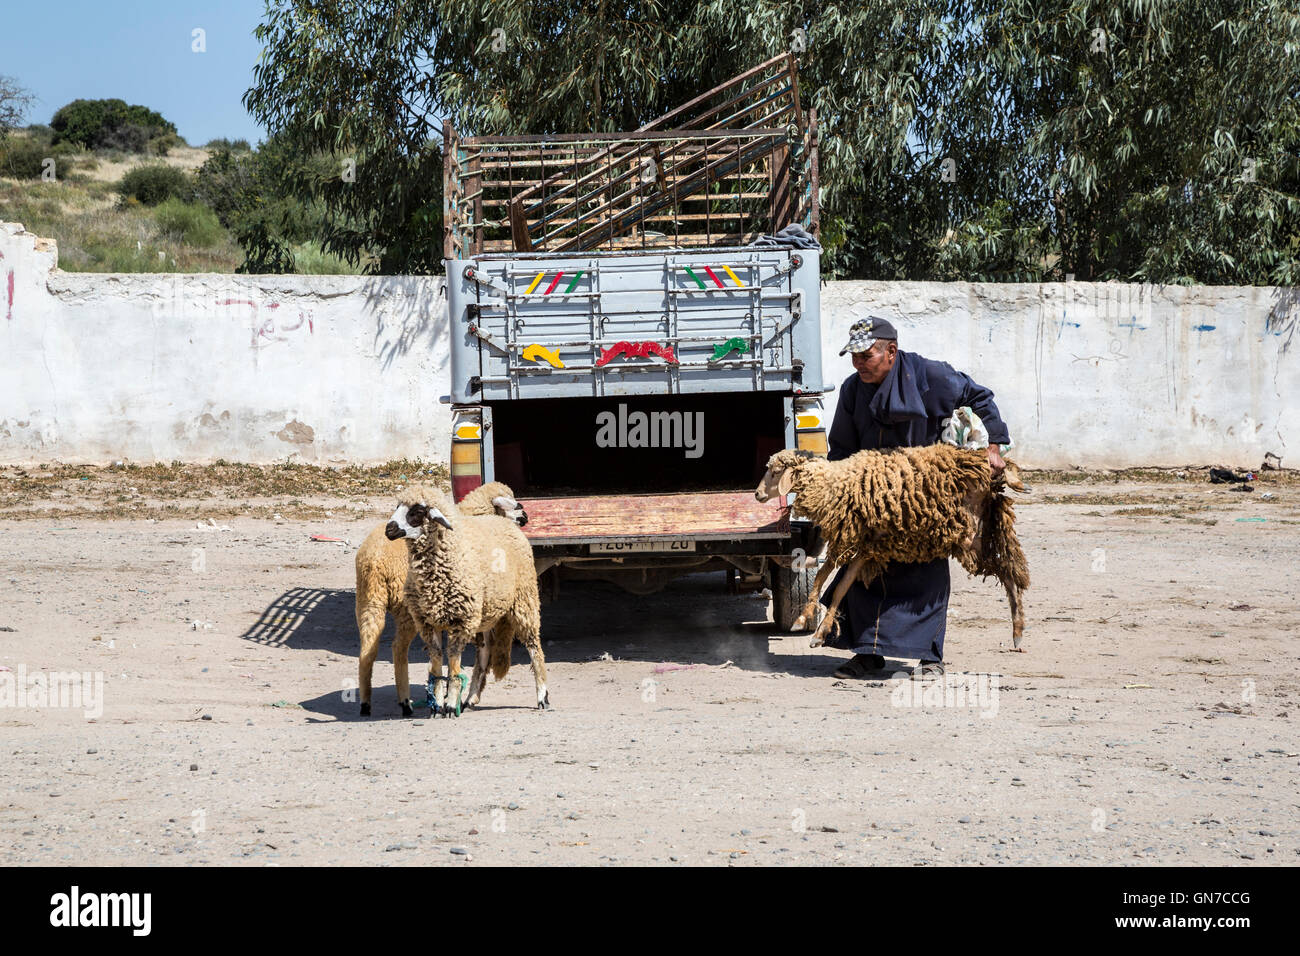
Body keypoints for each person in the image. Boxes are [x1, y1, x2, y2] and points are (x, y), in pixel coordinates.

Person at [823, 316, 1011, 679]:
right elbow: (842, 447)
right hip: (875, 497)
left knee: (924, 573)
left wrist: (994, 445)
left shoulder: (931, 377)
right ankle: (867, 654)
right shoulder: (851, 390)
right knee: (865, 571)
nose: (859, 363)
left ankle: (930, 657)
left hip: (923, 498)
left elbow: (980, 396)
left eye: (867, 355)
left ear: (890, 351)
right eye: (855, 357)